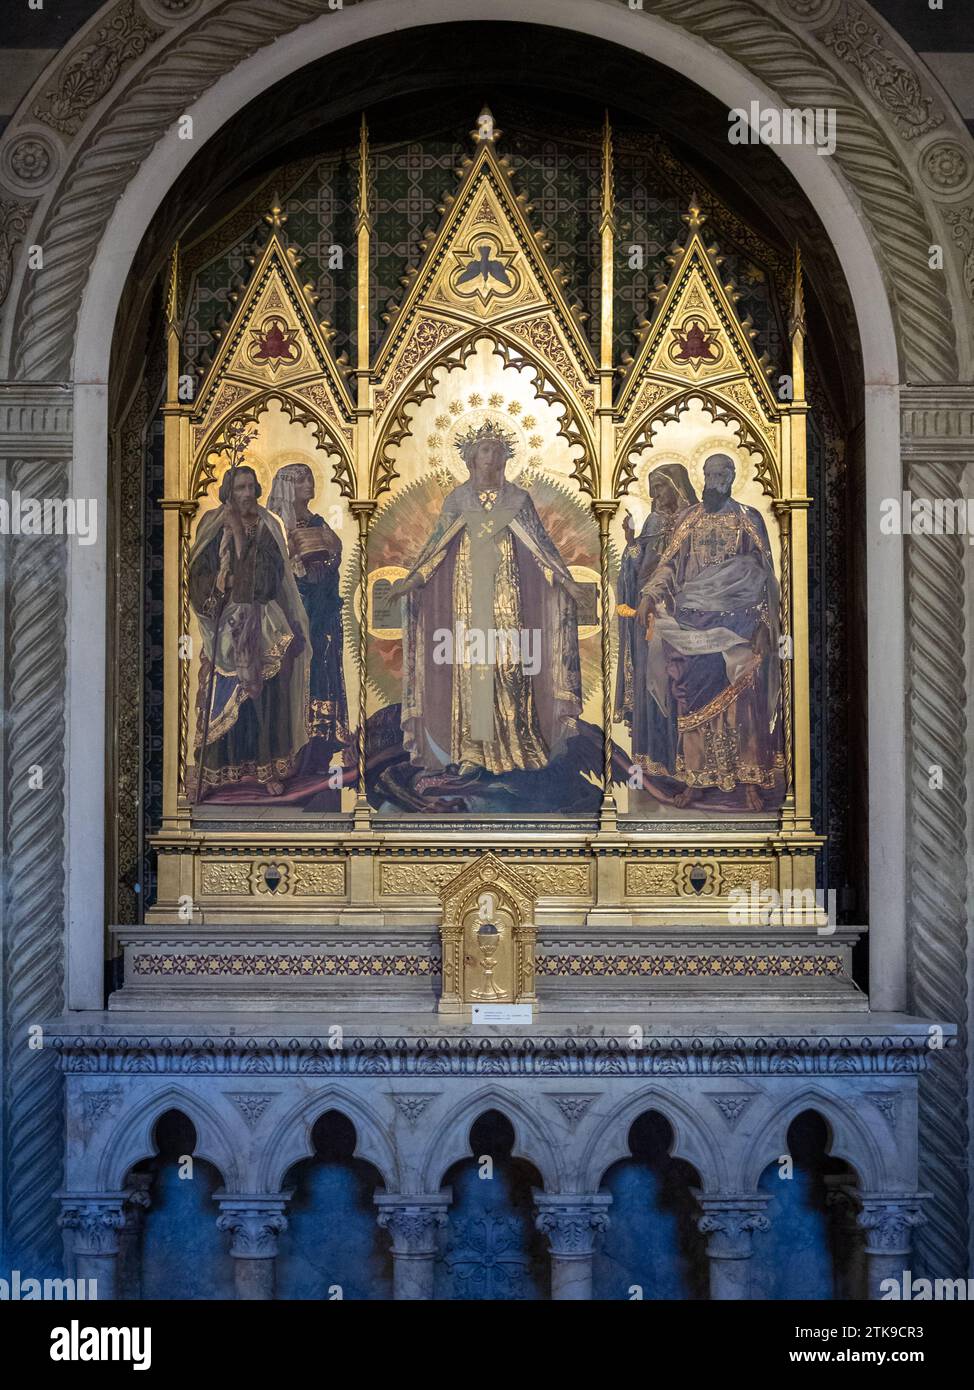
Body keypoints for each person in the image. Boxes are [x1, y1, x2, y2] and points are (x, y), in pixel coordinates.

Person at [389, 418, 584, 779]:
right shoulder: (458, 499)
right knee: (472, 667)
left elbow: (542, 549)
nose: (491, 454)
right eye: (484, 448)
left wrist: (564, 581)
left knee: (510, 666)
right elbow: (436, 548)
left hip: (508, 594)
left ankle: (517, 745)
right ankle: (472, 751)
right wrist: (413, 580)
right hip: (466, 595)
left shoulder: (518, 500)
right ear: (471, 457)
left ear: (505, 457)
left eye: (497, 448)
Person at [638, 453, 782, 810]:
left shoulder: (749, 519)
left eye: (721, 473)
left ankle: (749, 780)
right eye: (709, 473)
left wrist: (764, 623)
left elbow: (765, 575)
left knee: (744, 703)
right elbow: (668, 565)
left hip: (740, 624)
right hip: (693, 626)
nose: (713, 479)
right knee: (692, 700)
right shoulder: (689, 519)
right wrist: (650, 593)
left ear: (732, 477)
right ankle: (695, 778)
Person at [189, 464, 310, 797]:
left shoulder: (266, 526)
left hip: (263, 620)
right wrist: (216, 588)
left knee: (265, 698)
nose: (245, 494)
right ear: (228, 492)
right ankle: (212, 773)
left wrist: (240, 540)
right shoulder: (212, 523)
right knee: (220, 698)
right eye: (239, 488)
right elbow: (197, 574)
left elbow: (267, 579)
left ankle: (268, 769)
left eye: (250, 487)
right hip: (223, 627)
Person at [614, 462, 697, 782]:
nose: (656, 495)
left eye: (660, 487)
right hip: (651, 616)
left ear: (675, 486)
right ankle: (656, 760)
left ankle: (687, 761)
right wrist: (631, 541)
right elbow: (640, 565)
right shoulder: (654, 521)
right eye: (652, 490)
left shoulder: (693, 520)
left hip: (684, 616)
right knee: (653, 684)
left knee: (680, 686)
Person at [267, 462, 350, 768]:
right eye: (301, 480)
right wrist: (295, 559)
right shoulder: (276, 525)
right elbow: (271, 572)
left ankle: (320, 739)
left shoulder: (318, 521)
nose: (309, 483)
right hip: (292, 613)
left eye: (310, 478)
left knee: (322, 671)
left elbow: (331, 563)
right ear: (288, 487)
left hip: (322, 611)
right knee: (294, 674)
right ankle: (289, 749)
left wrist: (333, 552)